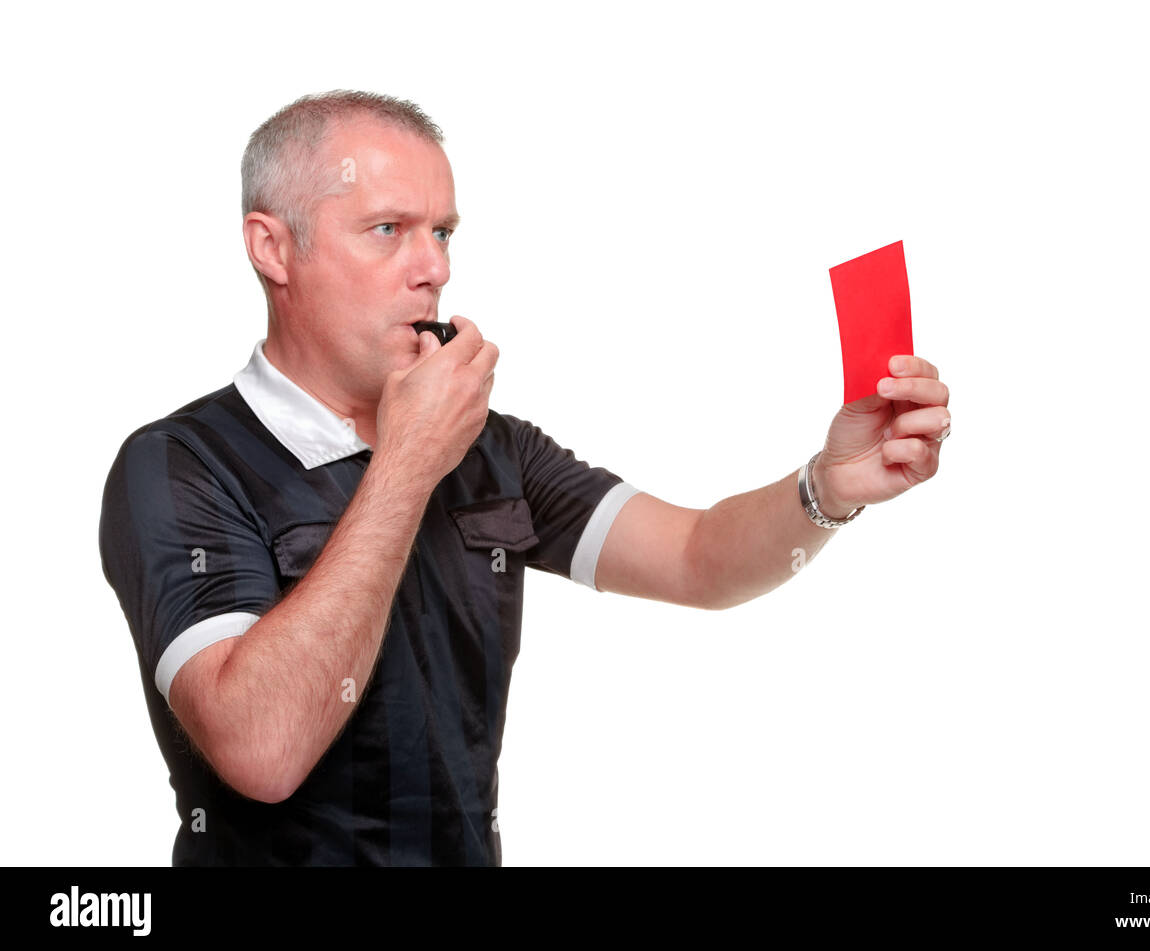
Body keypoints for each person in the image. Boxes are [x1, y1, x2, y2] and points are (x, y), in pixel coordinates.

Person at [98, 89, 952, 865]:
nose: (433, 268)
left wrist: (828, 487)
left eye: (444, 232)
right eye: (388, 229)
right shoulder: (178, 465)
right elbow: (261, 752)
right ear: (273, 247)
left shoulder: (490, 448)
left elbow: (698, 558)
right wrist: (403, 466)